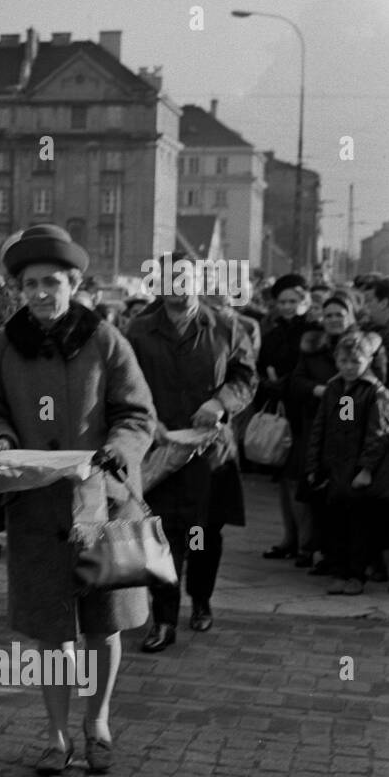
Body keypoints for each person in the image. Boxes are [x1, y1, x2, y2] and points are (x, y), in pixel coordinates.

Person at [0, 224, 155, 775]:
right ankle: (56, 736)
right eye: (29, 283)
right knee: (52, 632)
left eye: (51, 282)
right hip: (35, 510)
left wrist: (115, 454)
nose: (39, 293)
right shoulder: (3, 347)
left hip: (103, 506)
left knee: (103, 624)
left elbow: (137, 415)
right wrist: (0, 441)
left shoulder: (104, 339)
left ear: (74, 283)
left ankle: (97, 723)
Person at [126, 256, 257, 650]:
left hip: (209, 451)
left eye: (186, 277)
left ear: (200, 281)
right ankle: (164, 619)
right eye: (169, 278)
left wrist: (220, 404)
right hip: (161, 450)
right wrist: (147, 423)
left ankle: (200, 599)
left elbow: (245, 377)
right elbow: (125, 384)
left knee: (203, 532)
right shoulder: (139, 330)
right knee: (161, 534)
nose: (177, 285)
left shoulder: (226, 325)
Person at [288, 291, 385, 577]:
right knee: (324, 498)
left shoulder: (368, 347)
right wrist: (318, 390)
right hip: (323, 428)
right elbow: (296, 381)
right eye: (328, 315)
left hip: (357, 434)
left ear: (350, 316)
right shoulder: (313, 345)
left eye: (338, 315)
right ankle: (328, 555)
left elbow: (376, 385)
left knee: (356, 506)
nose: (332, 320)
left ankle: (359, 564)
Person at [305, 331, 389, 594]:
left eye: (355, 362)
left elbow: (377, 434)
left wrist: (365, 469)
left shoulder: (374, 392)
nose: (349, 367)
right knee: (336, 523)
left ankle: (356, 574)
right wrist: (313, 465)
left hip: (358, 470)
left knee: (359, 526)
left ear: (368, 361)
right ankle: (339, 570)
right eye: (343, 361)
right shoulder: (335, 388)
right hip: (335, 467)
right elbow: (322, 426)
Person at [257, 274, 313, 560]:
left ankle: (304, 542)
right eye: (283, 302)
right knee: (284, 477)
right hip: (283, 410)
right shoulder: (274, 332)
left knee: (297, 478)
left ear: (305, 301)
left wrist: (285, 382)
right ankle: (290, 538)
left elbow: (312, 369)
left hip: (306, 412)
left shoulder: (314, 332)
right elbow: (262, 363)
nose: (288, 307)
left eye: (294, 301)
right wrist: (269, 383)